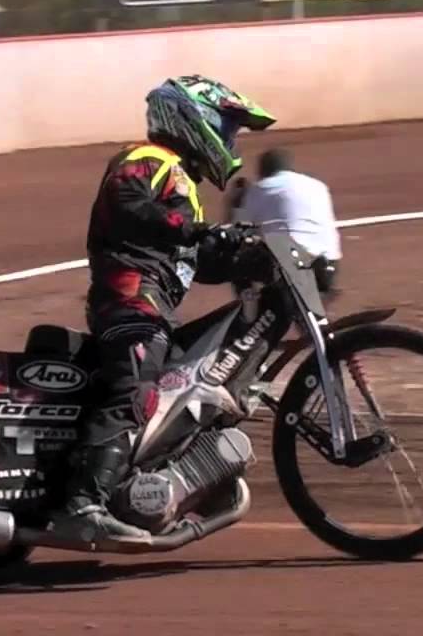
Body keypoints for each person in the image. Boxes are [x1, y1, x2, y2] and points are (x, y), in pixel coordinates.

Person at [49, 75, 276, 545]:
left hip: (150, 304)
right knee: (136, 391)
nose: (230, 142)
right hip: (128, 298)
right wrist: (194, 230)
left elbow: (195, 261)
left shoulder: (183, 184)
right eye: (226, 129)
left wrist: (249, 256)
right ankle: (82, 505)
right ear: (193, 119)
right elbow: (126, 201)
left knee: (174, 388)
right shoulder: (149, 158)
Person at [237, 148, 342, 294]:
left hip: (288, 266)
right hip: (328, 263)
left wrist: (237, 200)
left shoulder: (260, 188)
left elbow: (240, 228)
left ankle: (248, 302)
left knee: (238, 258)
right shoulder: (318, 186)